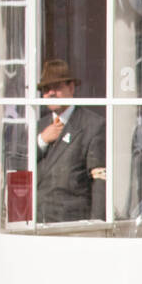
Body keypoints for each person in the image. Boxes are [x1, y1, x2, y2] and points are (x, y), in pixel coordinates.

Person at [35, 58, 106, 223]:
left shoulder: (92, 125)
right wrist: (42, 140)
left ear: (71, 87)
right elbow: (18, 164)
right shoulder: (38, 126)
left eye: (57, 87)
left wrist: (96, 225)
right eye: (46, 89)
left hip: (72, 223)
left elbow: (100, 182)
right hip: (38, 222)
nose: (51, 93)